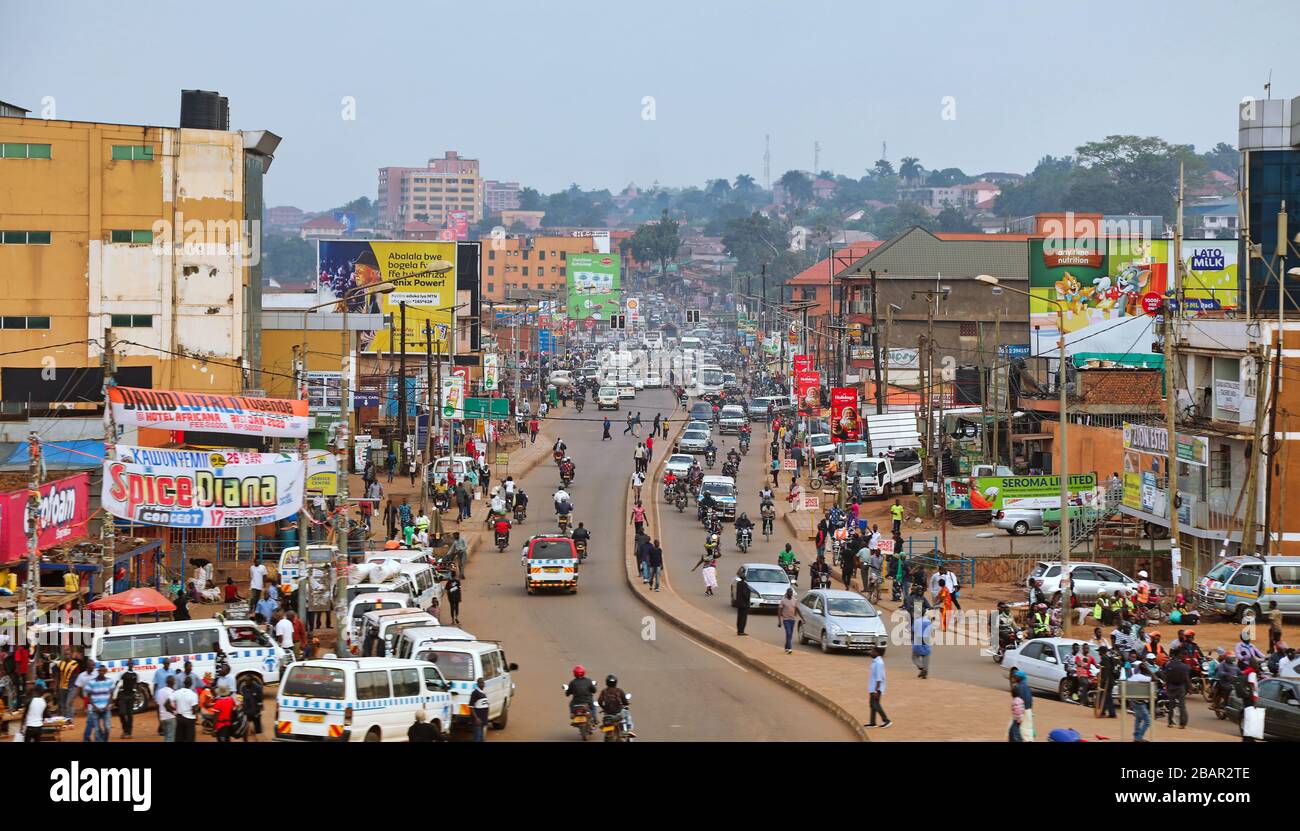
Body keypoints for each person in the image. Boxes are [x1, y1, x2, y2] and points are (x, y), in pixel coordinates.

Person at [83, 663, 113, 743]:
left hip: (106, 708)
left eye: (103, 671)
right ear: (98, 671)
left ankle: (105, 740)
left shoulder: (109, 681)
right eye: (100, 671)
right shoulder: (91, 682)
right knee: (96, 729)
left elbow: (111, 694)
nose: (101, 672)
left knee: (107, 727)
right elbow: (88, 695)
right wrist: (94, 706)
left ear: (105, 672)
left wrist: (107, 705)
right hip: (95, 709)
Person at [1127, 660, 1154, 742]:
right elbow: (1154, 678)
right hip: (1140, 702)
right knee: (1147, 721)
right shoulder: (1141, 677)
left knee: (1138, 719)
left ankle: (1136, 736)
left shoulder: (1132, 677)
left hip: (1134, 701)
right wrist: (1148, 670)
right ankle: (1139, 738)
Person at [865, 646, 891, 729]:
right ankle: (872, 723)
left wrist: (876, 690)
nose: (871, 652)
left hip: (876, 688)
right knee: (872, 705)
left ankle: (886, 720)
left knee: (876, 705)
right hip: (872, 687)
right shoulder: (875, 661)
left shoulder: (879, 663)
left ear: (877, 653)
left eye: (872, 651)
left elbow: (879, 678)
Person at [116, 658, 138, 739]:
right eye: (129, 663)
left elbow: (136, 685)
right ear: (127, 664)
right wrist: (116, 696)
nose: (130, 665)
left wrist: (135, 695)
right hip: (123, 695)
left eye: (132, 663)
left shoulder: (135, 674)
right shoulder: (123, 673)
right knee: (121, 713)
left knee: (130, 714)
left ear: (133, 665)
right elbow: (118, 684)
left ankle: (128, 732)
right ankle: (125, 729)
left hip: (131, 696)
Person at [777, 588, 799, 653]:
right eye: (789, 592)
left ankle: (786, 646)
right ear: (787, 593)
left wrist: (802, 618)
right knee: (788, 632)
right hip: (786, 620)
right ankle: (790, 648)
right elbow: (779, 611)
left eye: (791, 593)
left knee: (790, 634)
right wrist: (779, 621)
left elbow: (797, 609)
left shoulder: (794, 600)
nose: (790, 594)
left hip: (792, 620)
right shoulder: (783, 601)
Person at [912, 612, 934, 679]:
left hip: (918, 640)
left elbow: (913, 631)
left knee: (914, 656)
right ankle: (925, 672)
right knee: (926, 656)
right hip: (926, 640)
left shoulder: (916, 621)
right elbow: (931, 632)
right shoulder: (928, 622)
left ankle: (921, 667)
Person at [469, 677, 490, 742]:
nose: (482, 684)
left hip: (483, 719)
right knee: (477, 738)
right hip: (478, 720)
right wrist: (476, 718)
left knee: (481, 738)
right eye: (480, 682)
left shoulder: (483, 693)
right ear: (477, 684)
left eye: (483, 682)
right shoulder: (475, 693)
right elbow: (471, 706)